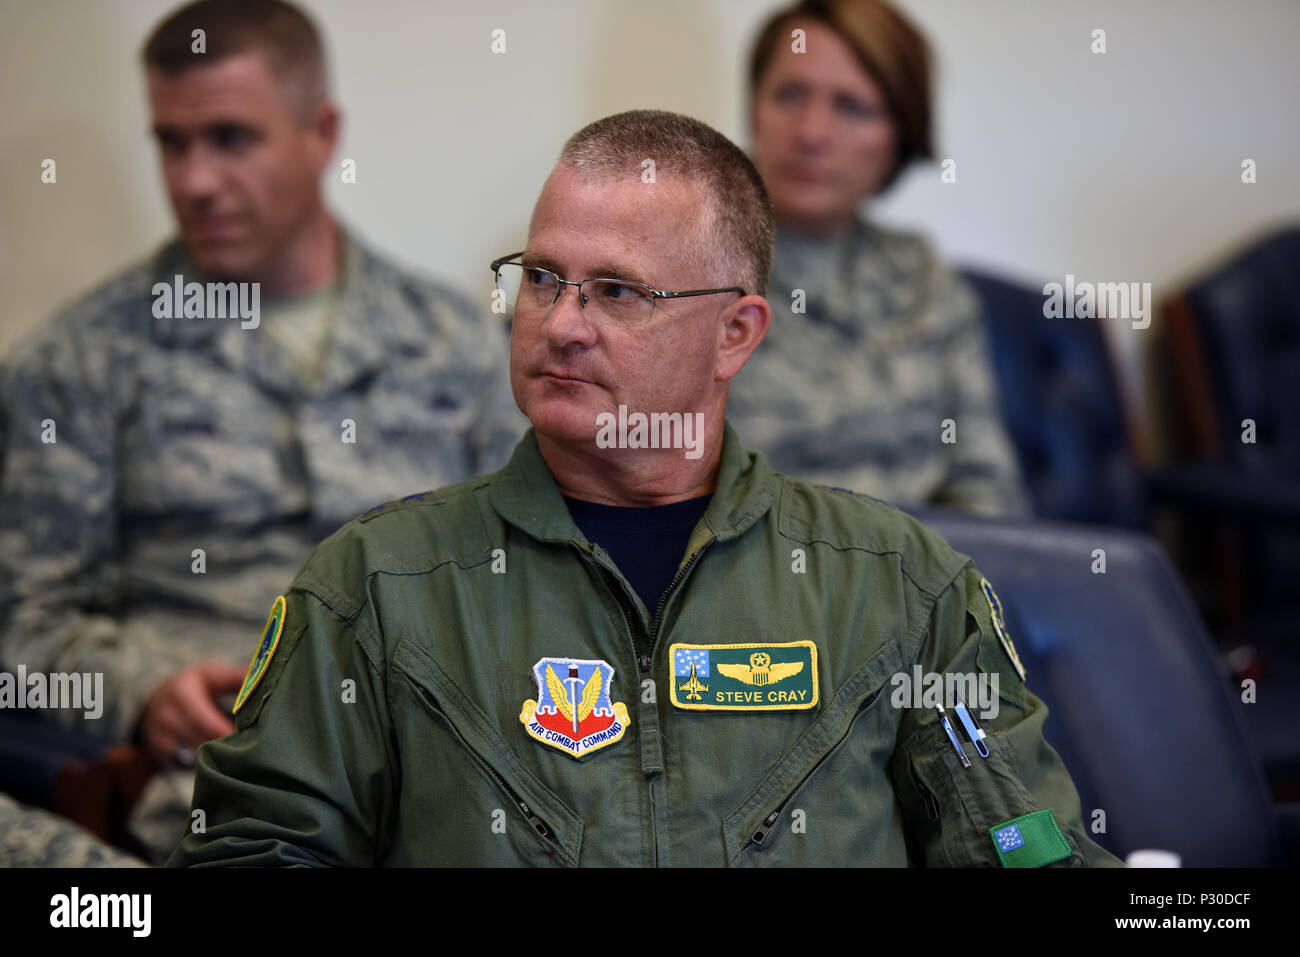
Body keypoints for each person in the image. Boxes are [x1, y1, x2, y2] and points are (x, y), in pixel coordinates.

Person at [169, 109, 1118, 867]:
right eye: (543, 277)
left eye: (619, 292)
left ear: (737, 333)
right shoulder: (373, 587)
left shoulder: (901, 586)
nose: (562, 324)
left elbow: (1022, 848)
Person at [0, 0, 524, 861]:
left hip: (439, 763)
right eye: (172, 143)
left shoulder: (459, 347)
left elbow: (525, 572)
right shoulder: (77, 365)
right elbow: (25, 619)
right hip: (220, 780)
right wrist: (143, 688)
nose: (195, 181)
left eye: (231, 139)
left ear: (321, 132)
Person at [728, 0, 1030, 517]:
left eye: (852, 106)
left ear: (899, 136)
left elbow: (989, 493)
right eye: (790, 94)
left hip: (922, 581)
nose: (811, 133)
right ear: (755, 107)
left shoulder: (922, 277)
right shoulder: (681, 264)